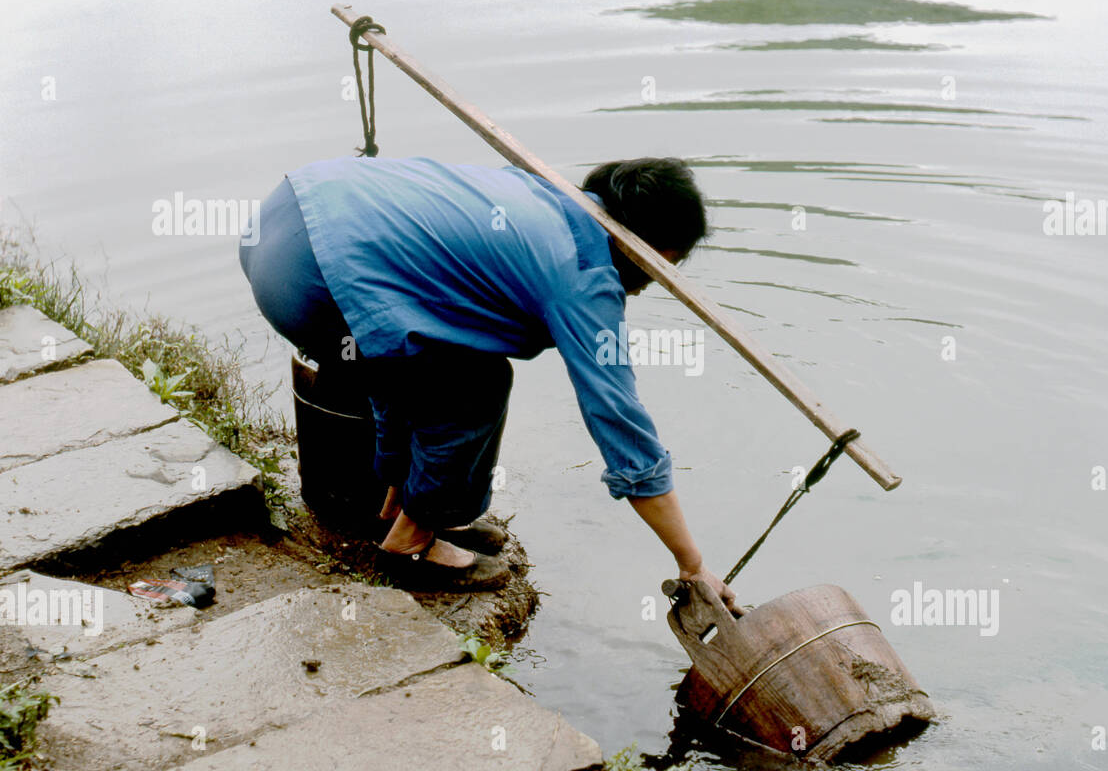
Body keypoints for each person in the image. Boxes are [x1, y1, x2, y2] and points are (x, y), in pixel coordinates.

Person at [239, 155, 741, 614]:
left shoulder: (540, 190)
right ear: (652, 246)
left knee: (428, 345)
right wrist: (692, 564)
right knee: (476, 384)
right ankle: (411, 545)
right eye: (663, 267)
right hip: (314, 280)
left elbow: (396, 350)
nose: (652, 283)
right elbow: (620, 422)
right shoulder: (584, 276)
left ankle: (400, 503)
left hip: (287, 215)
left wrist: (395, 463)